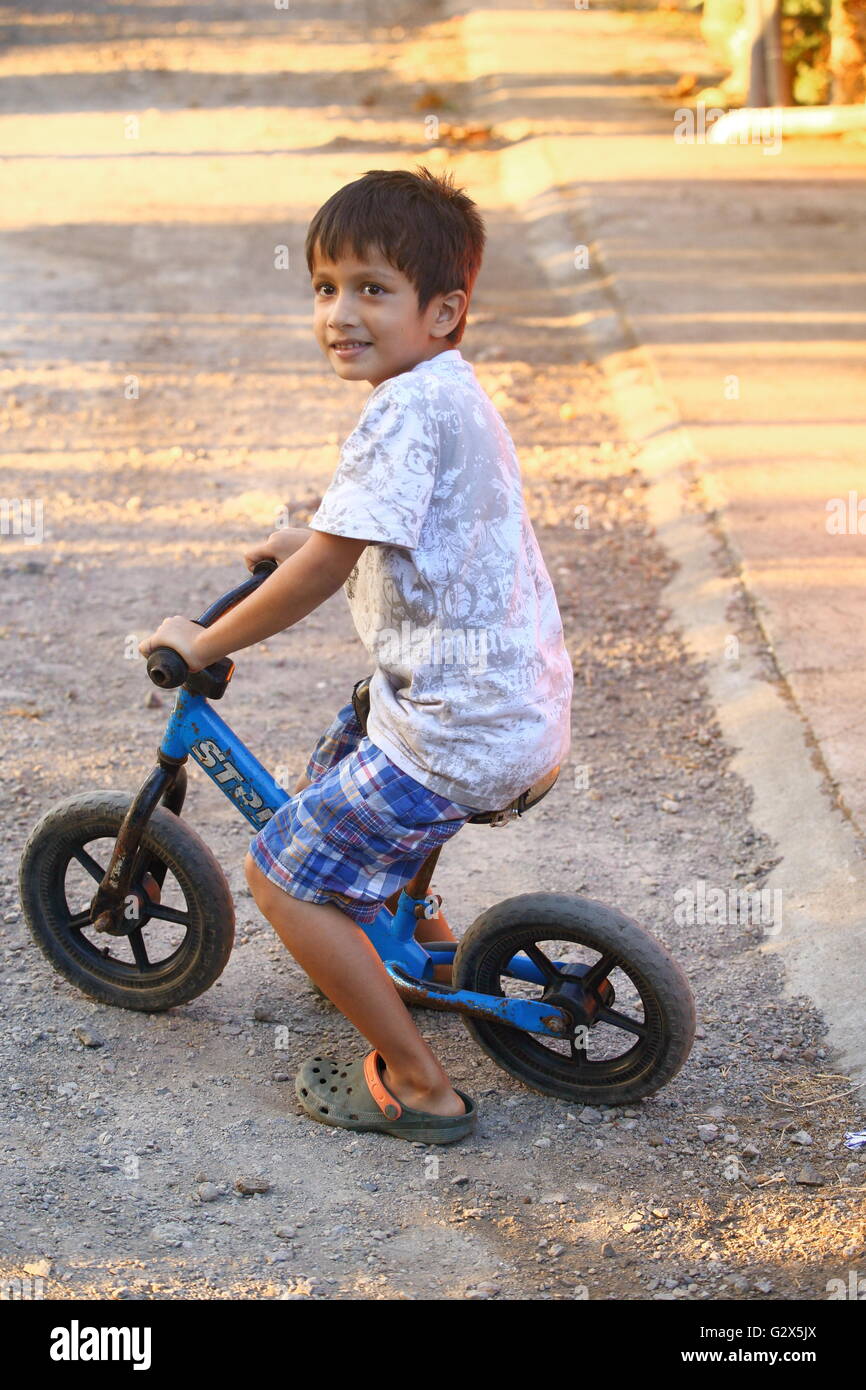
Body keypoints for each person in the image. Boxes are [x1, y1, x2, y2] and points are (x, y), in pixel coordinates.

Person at [138, 165, 573, 1144]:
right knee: (355, 732)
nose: (341, 312)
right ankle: (414, 931)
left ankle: (420, 1086)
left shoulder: (398, 408)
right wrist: (313, 535)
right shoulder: (449, 390)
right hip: (517, 708)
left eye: (371, 290)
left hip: (459, 734)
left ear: (443, 308)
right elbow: (387, 529)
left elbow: (326, 569)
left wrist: (202, 641)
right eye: (324, 288)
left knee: (280, 872)